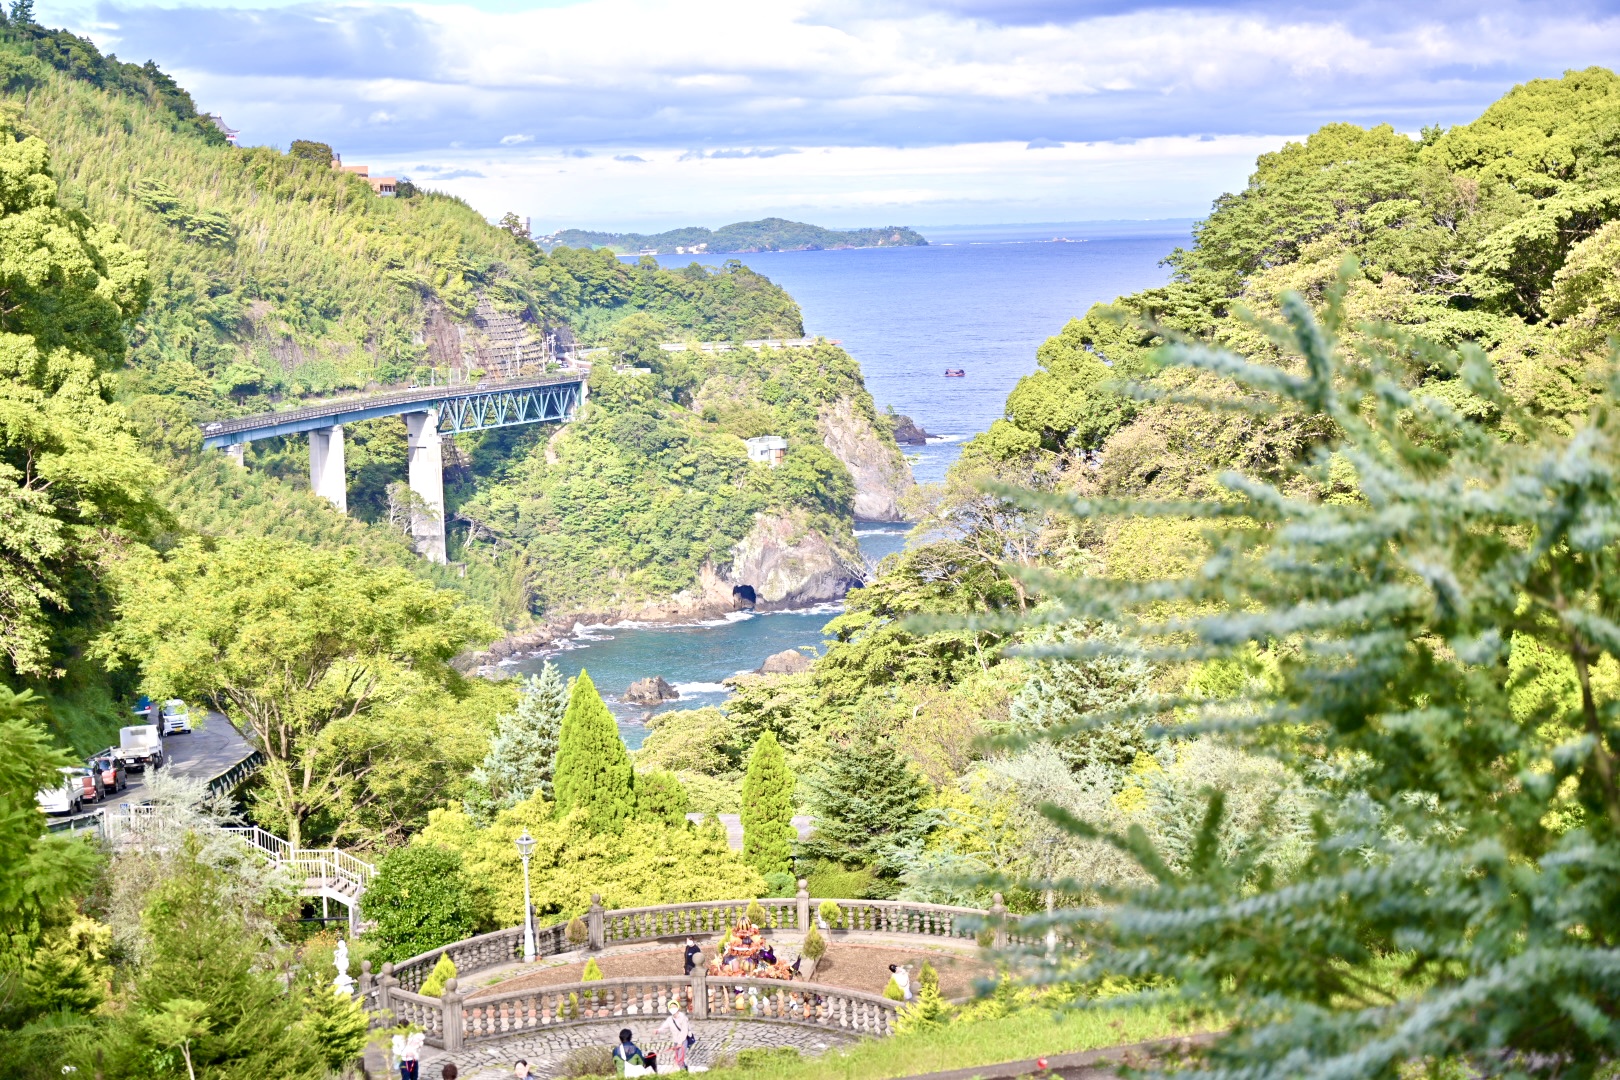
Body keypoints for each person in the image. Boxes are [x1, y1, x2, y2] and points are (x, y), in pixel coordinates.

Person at [655, 999, 694, 1071]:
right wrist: (658, 1030)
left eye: (674, 1006)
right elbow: (664, 1026)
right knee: (678, 1059)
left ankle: (684, 1074)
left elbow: (684, 1031)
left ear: (678, 1007)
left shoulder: (683, 1018)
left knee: (679, 1060)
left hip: (683, 1041)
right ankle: (685, 1068)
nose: (673, 1008)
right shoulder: (670, 1019)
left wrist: (680, 1043)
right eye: (671, 1007)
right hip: (676, 1042)